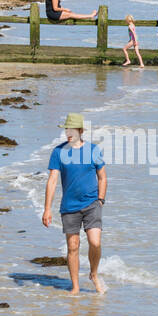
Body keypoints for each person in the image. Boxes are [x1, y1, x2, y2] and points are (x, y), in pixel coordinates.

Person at [42, 113, 107, 296]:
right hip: (69, 207)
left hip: (92, 204)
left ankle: (93, 274)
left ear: (80, 131)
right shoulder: (58, 152)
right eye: (66, 130)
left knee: (95, 242)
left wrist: (100, 200)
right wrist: (47, 209)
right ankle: (76, 286)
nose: (68, 133)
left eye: (72, 130)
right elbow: (52, 181)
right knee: (73, 246)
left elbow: (102, 177)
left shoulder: (93, 150)